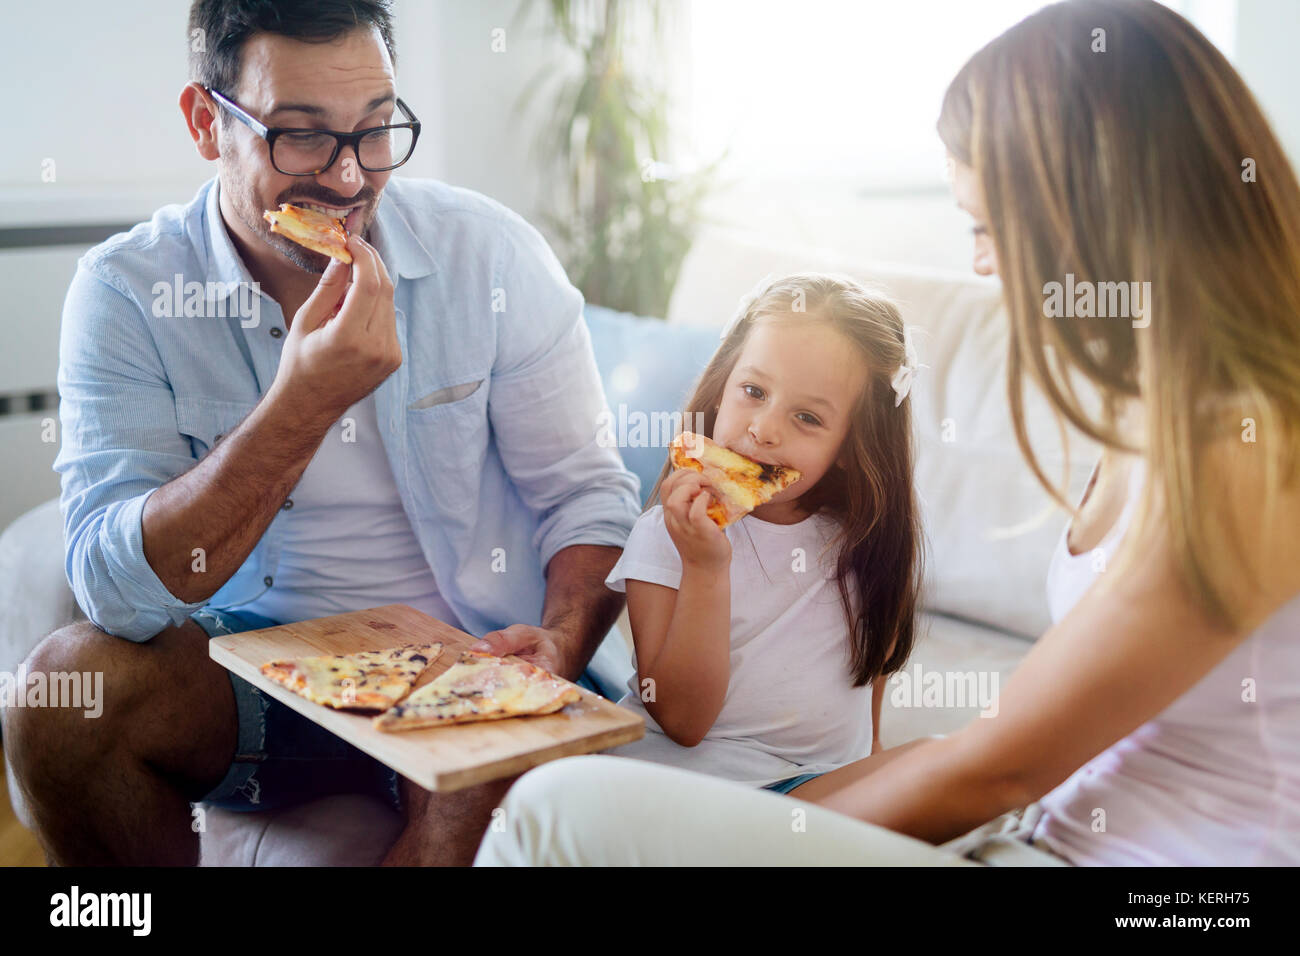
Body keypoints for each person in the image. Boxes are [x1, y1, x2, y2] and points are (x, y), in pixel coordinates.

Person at [474, 0, 1300, 866]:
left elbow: (999, 767)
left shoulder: (1245, 449)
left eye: (988, 226)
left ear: (1092, 211)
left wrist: (769, 836)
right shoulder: (1162, 418)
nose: (982, 262)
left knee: (555, 809)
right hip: (1050, 840)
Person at [1, 0, 640, 866]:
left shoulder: (489, 256)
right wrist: (299, 406)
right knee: (58, 699)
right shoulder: (128, 293)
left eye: (375, 129)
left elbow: (589, 500)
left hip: (475, 672)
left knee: (483, 783)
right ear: (206, 123)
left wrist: (558, 645)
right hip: (262, 687)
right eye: (301, 135)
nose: (347, 178)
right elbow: (115, 592)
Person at [603, 274, 924, 795]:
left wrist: (878, 789)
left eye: (807, 417)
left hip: (814, 788)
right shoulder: (667, 535)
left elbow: (867, 729)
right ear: (721, 389)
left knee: (933, 764)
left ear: (852, 445)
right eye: (753, 392)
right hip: (688, 784)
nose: (764, 429)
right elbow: (682, 721)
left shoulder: (865, 544)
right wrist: (705, 569)